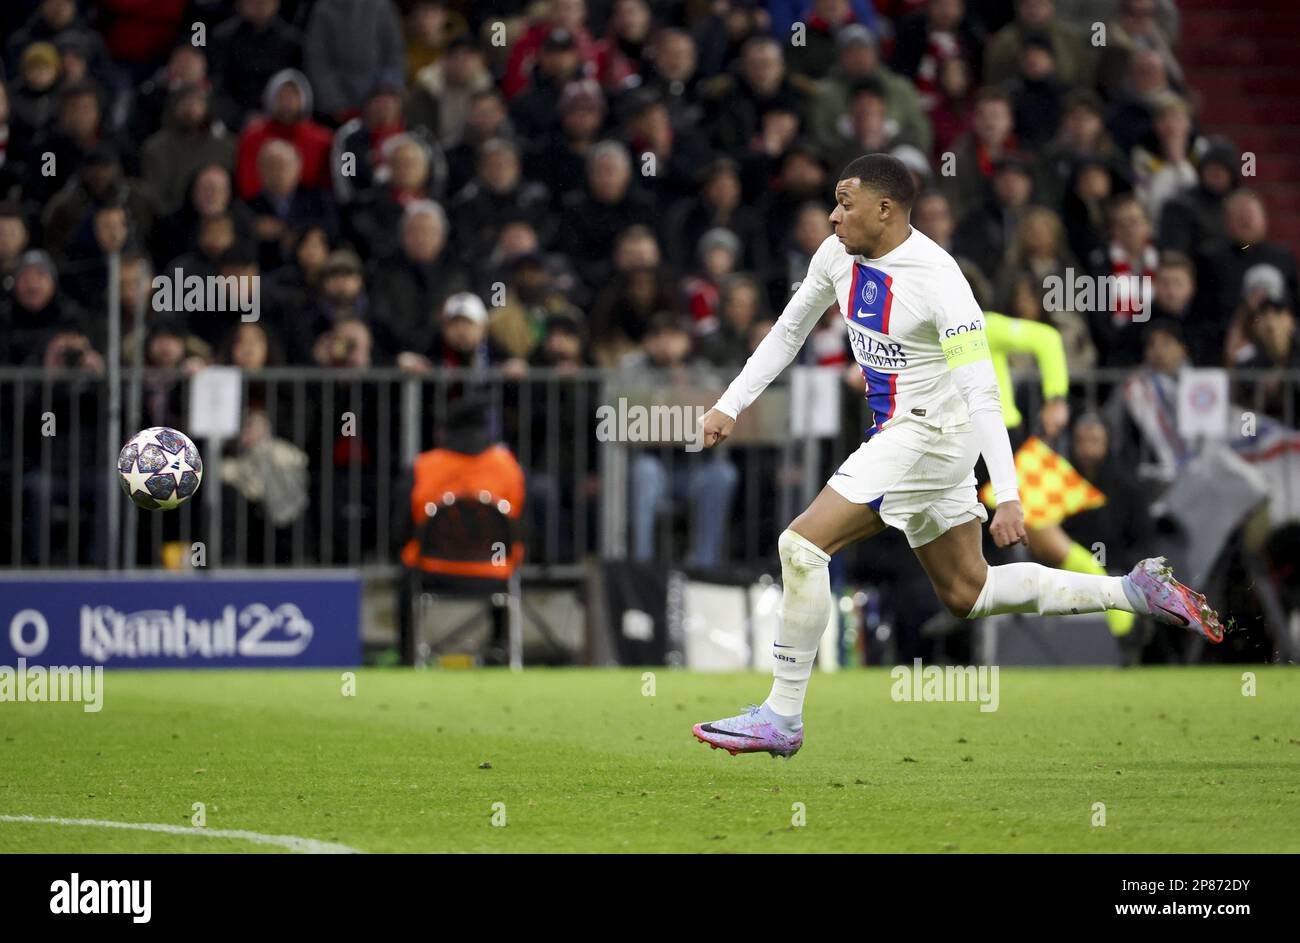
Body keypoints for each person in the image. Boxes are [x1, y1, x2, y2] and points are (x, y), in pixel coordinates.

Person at [692, 153, 1224, 759]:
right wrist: (729, 405)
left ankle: (783, 716)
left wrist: (1011, 496)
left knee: (801, 545)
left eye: (846, 203)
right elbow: (788, 333)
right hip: (907, 436)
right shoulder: (835, 254)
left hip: (930, 436)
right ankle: (1130, 591)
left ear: (886, 210)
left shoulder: (941, 281)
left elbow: (982, 393)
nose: (834, 216)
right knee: (969, 592)